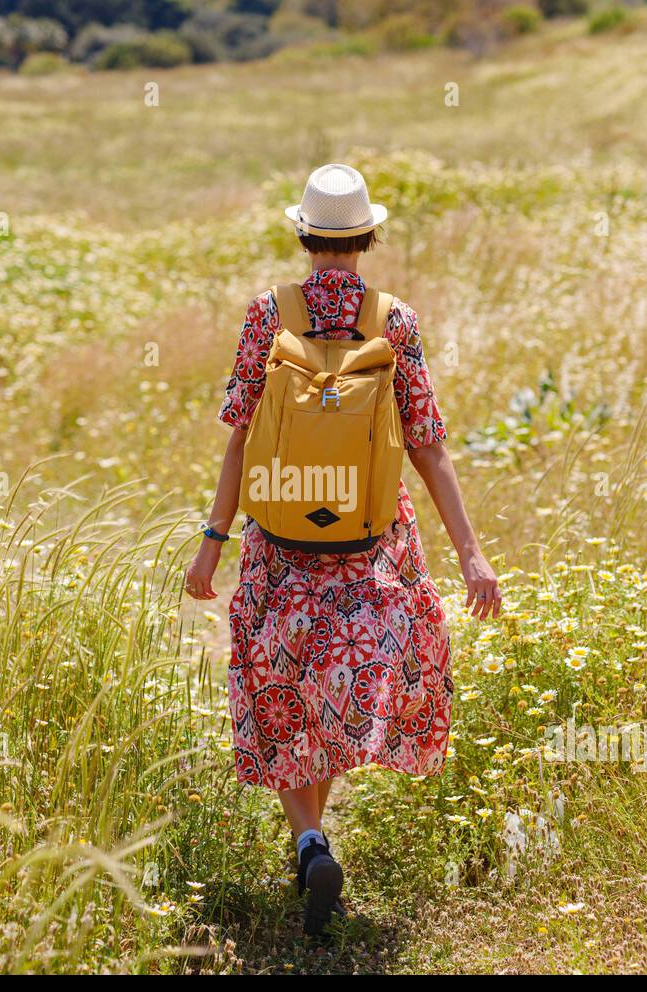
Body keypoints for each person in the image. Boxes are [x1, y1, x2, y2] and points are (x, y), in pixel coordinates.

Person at [185, 163, 501, 935]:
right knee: (333, 688)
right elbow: (427, 445)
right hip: (372, 541)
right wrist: (471, 552)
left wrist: (212, 541)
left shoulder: (269, 314)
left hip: (281, 542)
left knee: (286, 684)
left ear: (304, 234)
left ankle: (309, 840)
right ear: (366, 236)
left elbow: (239, 441)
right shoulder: (394, 320)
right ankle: (312, 844)